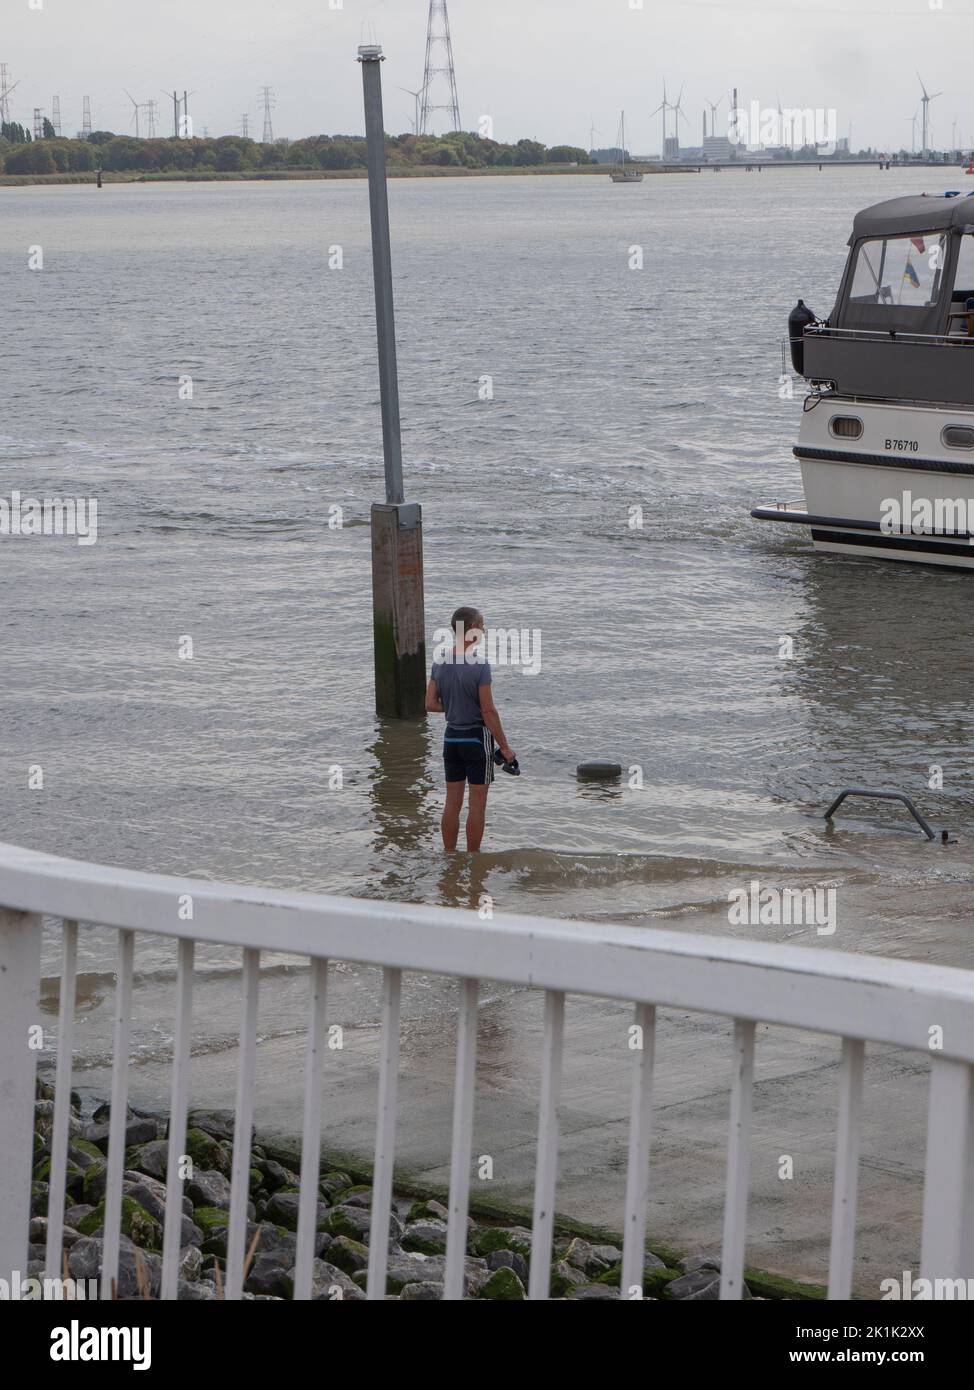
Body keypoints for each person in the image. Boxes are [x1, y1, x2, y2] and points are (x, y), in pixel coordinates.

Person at [426, 607, 516, 853]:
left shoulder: (439, 662)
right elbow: (488, 711)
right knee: (476, 806)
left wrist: (456, 706)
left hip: (451, 739)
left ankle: (450, 857)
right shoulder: (480, 665)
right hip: (476, 740)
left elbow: (429, 704)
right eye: (482, 626)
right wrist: (505, 748)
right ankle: (473, 859)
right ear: (472, 630)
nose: (484, 631)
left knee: (451, 804)